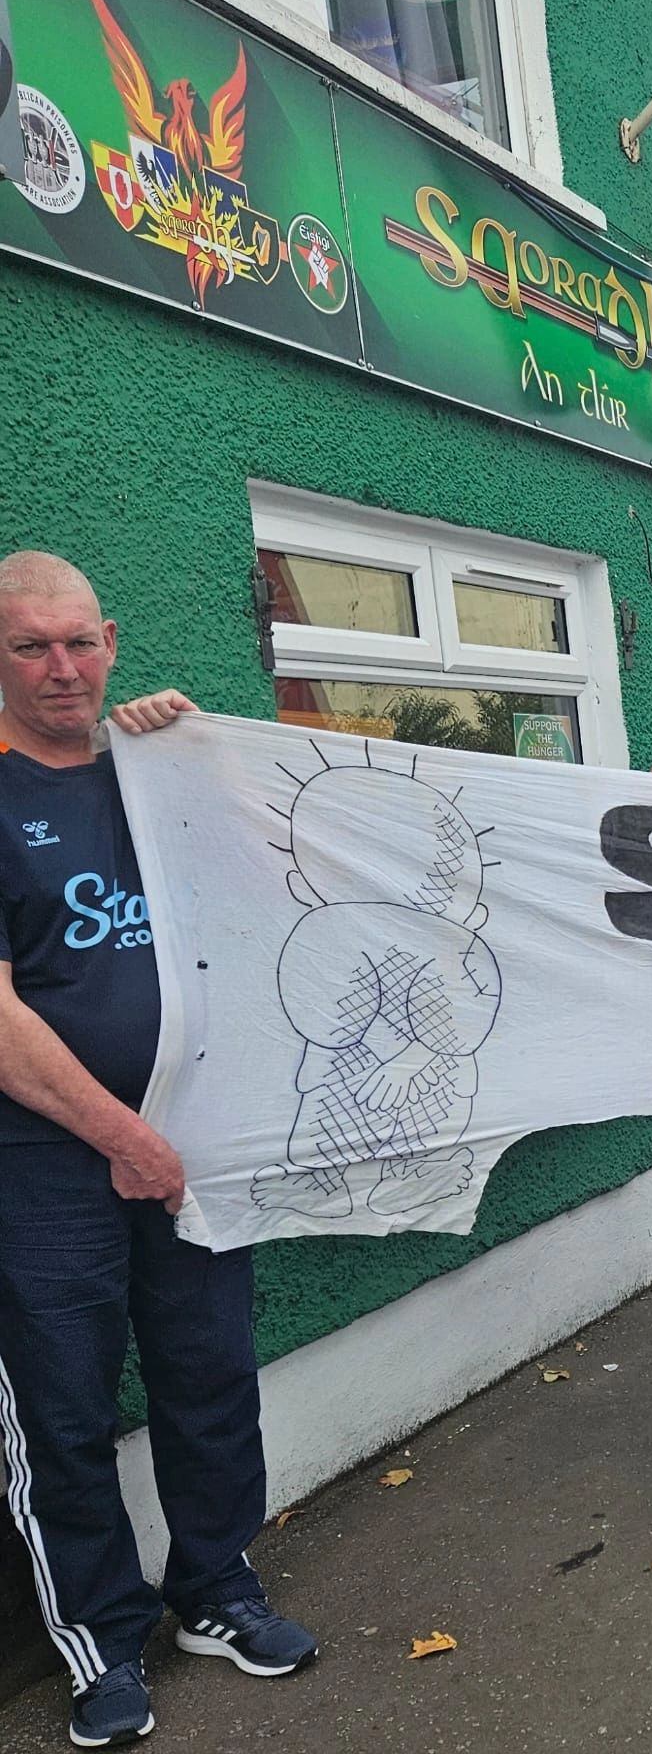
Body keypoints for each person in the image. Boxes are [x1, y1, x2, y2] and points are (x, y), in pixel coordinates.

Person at [0, 551, 317, 1751]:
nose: (62, 667)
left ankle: (217, 1588)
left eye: (79, 639)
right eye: (31, 645)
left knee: (209, 1372)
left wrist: (205, 755)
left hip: (195, 1138)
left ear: (113, 641)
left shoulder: (158, 776)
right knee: (64, 1406)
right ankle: (100, 1637)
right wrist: (122, 1134)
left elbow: (281, 880)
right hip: (44, 1162)